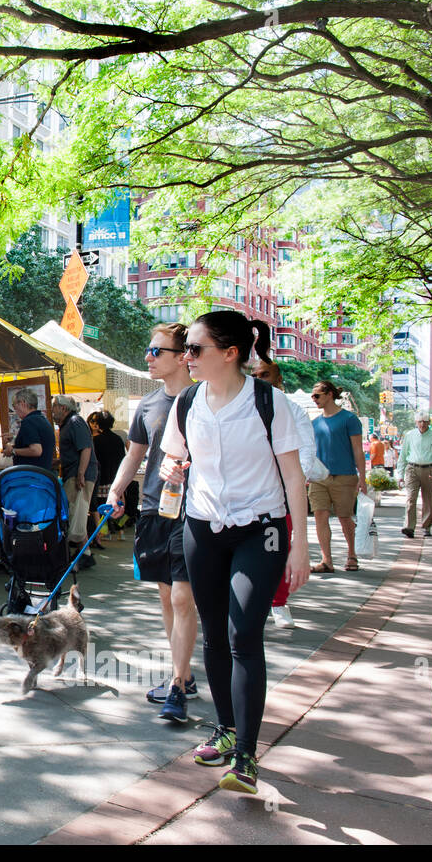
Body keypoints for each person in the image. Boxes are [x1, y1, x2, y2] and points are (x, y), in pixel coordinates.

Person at [159, 310, 310, 795]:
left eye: (196, 349)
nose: (187, 357)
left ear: (230, 353)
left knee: (244, 631)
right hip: (201, 527)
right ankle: (224, 728)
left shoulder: (270, 403)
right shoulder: (186, 402)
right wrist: (172, 472)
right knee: (214, 634)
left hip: (260, 530)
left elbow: (292, 477)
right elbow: (173, 457)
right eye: (186, 349)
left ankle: (245, 754)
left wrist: (300, 546)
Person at [106, 323, 199, 722]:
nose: (147, 356)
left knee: (182, 597)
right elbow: (135, 455)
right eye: (148, 350)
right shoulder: (146, 405)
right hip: (154, 508)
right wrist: (115, 491)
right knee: (166, 596)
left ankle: (177, 685)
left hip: (196, 510)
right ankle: (187, 674)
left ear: (183, 357)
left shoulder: (205, 400)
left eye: (156, 351)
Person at [251, 359, 316, 629]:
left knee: (276, 550)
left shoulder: (293, 411)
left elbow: (306, 456)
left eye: (264, 374)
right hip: (241, 498)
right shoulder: (238, 407)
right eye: (254, 374)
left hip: (279, 498)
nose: (258, 378)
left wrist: (289, 482)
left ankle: (278, 603)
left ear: (278, 380)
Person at [306, 381, 368, 574]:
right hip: (318, 479)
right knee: (320, 516)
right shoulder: (314, 423)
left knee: (345, 517)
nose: (314, 399)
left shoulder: (349, 419)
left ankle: (352, 555)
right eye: (312, 396)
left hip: (344, 476)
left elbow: (358, 450)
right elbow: (311, 452)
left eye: (317, 396)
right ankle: (326, 560)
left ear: (330, 395)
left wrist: (362, 478)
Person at [51, 394, 99, 569]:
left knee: (76, 512)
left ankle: (83, 554)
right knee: (75, 512)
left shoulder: (75, 422)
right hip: (73, 472)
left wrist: (81, 473)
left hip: (80, 474)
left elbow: (85, 449)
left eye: (55, 406)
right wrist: (59, 461)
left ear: (63, 408)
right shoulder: (67, 424)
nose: (53, 409)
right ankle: (84, 553)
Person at [396, 412, 432, 538]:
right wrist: (400, 474)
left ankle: (426, 526)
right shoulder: (410, 435)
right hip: (412, 468)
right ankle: (409, 527)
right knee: (410, 498)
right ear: (416, 422)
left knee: (429, 500)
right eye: (420, 421)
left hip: (430, 469)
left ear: (429, 422)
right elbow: (403, 455)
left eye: (425, 421)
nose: (422, 424)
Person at [89, 410, 127, 545]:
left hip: (102, 477)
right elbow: (123, 458)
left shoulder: (97, 440)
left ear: (99, 424)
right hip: (116, 477)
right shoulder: (117, 439)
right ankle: (121, 532)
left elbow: (95, 460)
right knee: (118, 505)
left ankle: (105, 533)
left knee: (101, 506)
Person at [3, 389, 54, 471]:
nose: (14, 410)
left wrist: (13, 451)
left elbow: (36, 450)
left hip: (30, 476)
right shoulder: (42, 419)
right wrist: (15, 439)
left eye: (14, 405)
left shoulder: (29, 421)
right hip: (41, 474)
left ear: (22, 403)